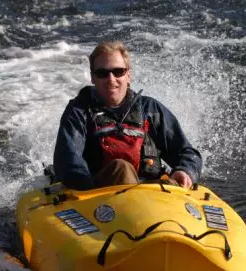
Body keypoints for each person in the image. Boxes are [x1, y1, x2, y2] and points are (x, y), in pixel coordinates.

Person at [53, 40, 202, 190]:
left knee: (170, 184)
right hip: (98, 195)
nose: (111, 79)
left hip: (151, 196)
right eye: (102, 73)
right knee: (121, 168)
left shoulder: (150, 110)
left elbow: (187, 153)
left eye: (118, 72)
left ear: (128, 75)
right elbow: (68, 160)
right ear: (93, 77)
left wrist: (184, 170)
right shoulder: (79, 111)